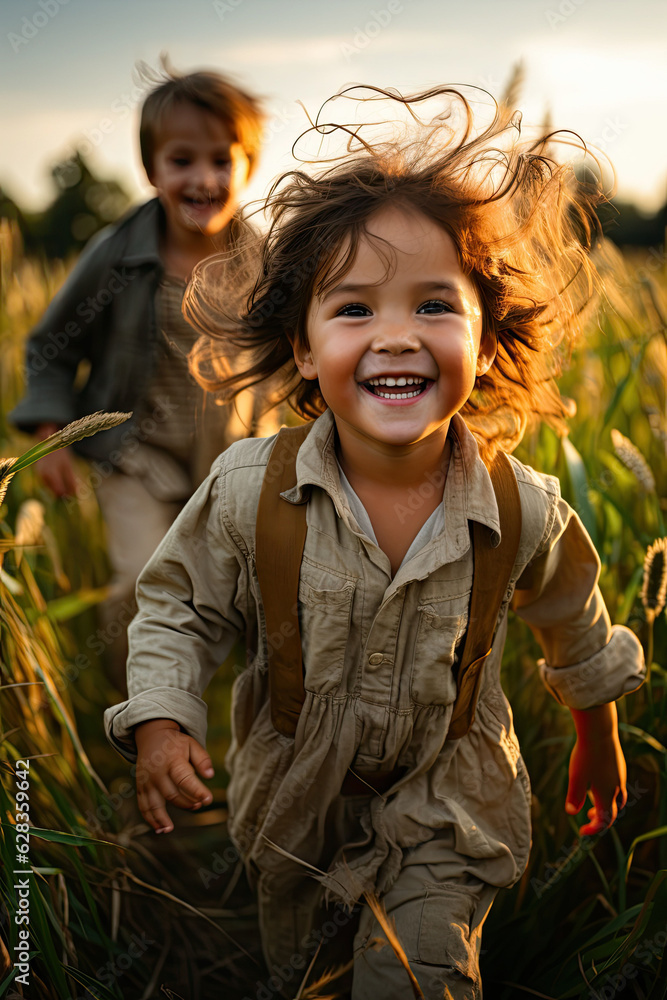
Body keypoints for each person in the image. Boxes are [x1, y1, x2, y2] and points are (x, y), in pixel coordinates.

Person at [104, 85, 646, 998]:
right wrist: (161, 720)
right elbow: (177, 607)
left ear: (485, 330)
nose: (396, 336)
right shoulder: (251, 489)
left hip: (449, 804)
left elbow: (575, 623)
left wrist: (596, 730)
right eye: (353, 311)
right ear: (306, 349)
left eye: (434, 305)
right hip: (292, 808)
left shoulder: (522, 509)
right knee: (308, 978)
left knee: (413, 977)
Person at [9, 58, 271, 693]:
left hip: (231, 456)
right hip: (135, 453)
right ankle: (137, 706)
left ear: (246, 167)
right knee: (141, 578)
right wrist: (52, 434)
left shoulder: (263, 259)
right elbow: (51, 343)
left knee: (254, 586)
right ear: (152, 170)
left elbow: (305, 348)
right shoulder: (117, 251)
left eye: (220, 159)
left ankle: (242, 708)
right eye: (182, 160)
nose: (203, 178)